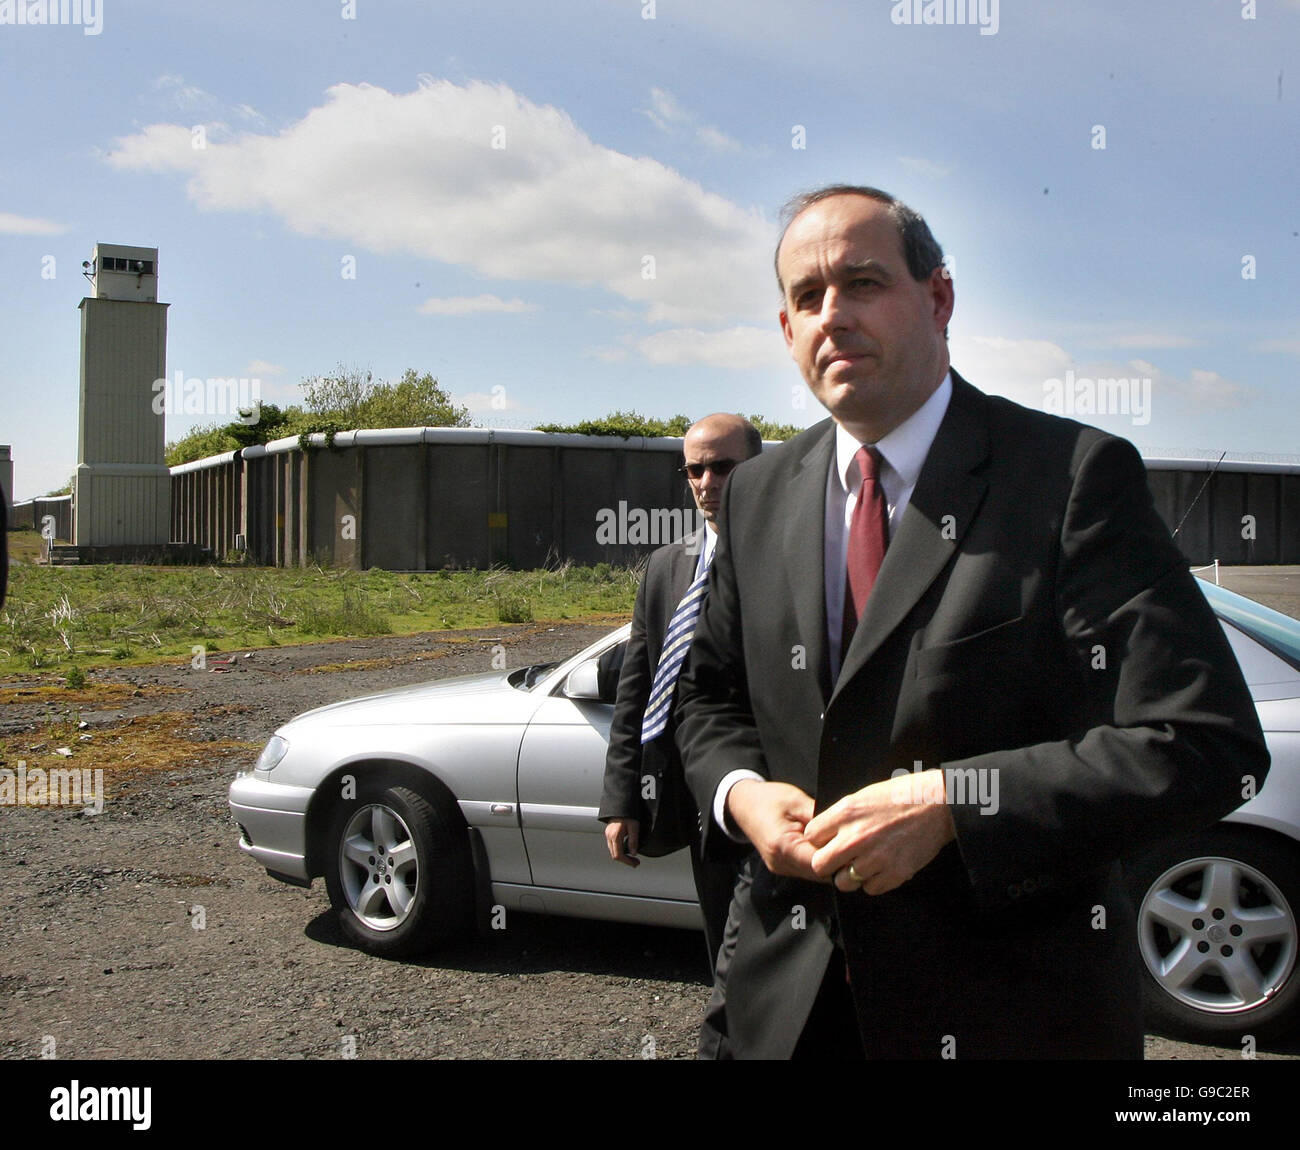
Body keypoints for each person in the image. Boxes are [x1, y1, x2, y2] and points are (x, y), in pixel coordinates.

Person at [675, 185, 1270, 1059]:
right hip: (788, 1010)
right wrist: (742, 796)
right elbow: (708, 699)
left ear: (940, 298)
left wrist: (958, 803)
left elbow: (1203, 741)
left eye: (864, 282)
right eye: (807, 297)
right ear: (785, 329)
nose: (832, 316)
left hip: (1007, 1014)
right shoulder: (758, 493)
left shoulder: (1070, 479)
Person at [598, 413, 761, 1023]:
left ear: (757, 468)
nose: (707, 481)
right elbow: (637, 687)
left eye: (723, 466)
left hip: (772, 800)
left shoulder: (789, 558)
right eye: (695, 468)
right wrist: (623, 799)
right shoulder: (667, 566)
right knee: (722, 954)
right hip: (694, 806)